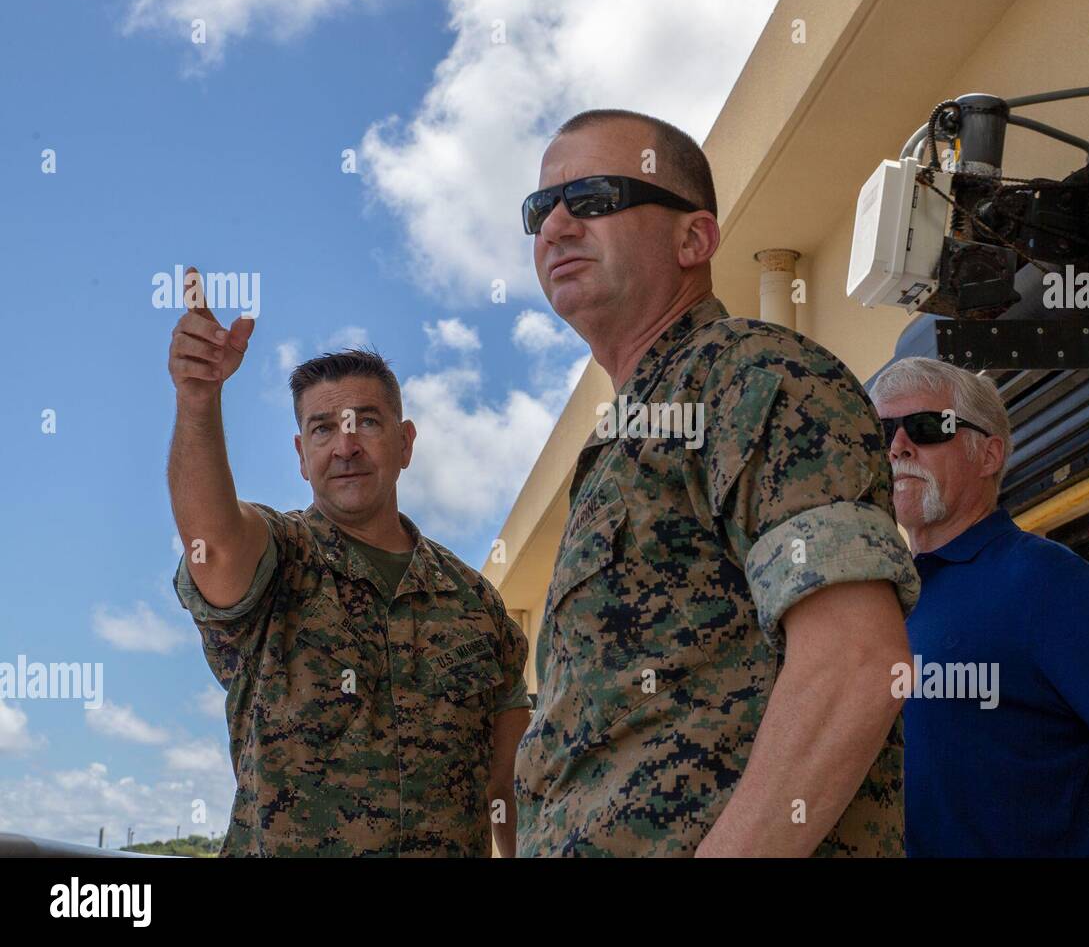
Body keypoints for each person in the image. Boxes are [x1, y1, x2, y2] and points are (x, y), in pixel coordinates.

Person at [514, 109, 921, 857]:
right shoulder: (621, 440)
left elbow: (859, 665)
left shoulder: (753, 375)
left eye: (598, 197)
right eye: (541, 209)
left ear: (693, 238)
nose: (558, 226)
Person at [167, 270, 531, 856]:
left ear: (405, 442)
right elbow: (212, 538)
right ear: (300, 456)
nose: (346, 445)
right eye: (322, 429)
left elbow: (506, 786)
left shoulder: (476, 604)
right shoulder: (280, 559)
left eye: (366, 421)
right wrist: (198, 398)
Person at [868, 356, 1089, 856]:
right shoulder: (886, 594)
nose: (897, 446)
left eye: (929, 427)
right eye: (882, 431)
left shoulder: (1043, 579)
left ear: (988, 453)